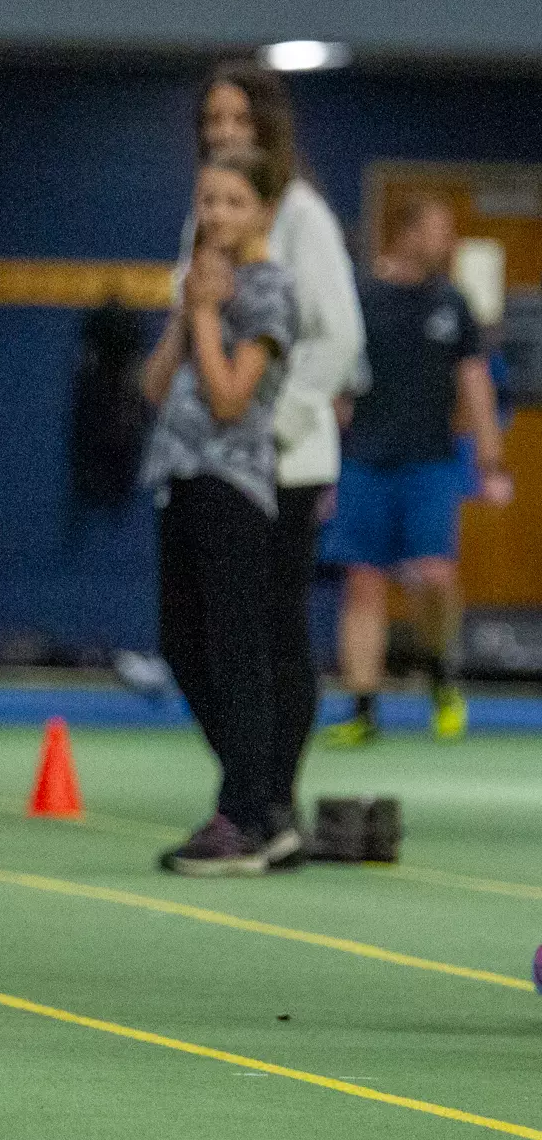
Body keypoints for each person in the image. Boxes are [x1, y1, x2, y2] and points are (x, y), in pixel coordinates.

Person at [179, 63, 363, 858]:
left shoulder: (303, 214)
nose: (224, 131)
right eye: (213, 119)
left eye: (238, 118)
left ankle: (265, 799)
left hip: (284, 462)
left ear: (270, 125)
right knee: (199, 636)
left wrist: (279, 420)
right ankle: (254, 788)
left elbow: (342, 336)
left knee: (273, 633)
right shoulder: (207, 210)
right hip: (215, 457)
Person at [141, 146, 297, 876]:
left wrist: (208, 313)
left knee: (237, 653)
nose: (218, 215)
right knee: (182, 642)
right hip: (180, 477)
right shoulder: (200, 284)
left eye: (235, 201)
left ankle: (244, 811)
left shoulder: (266, 293)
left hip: (233, 487)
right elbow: (153, 386)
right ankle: (255, 793)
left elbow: (232, 397)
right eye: (208, 201)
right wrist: (185, 310)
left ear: (263, 210)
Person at [323, 194, 511, 745]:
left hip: (430, 465)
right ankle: (362, 710)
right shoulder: (360, 296)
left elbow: (475, 382)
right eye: (438, 231)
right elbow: (335, 375)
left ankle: (440, 676)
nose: (447, 243)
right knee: (363, 584)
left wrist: (490, 456)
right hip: (364, 464)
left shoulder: (453, 303)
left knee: (435, 577)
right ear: (405, 232)